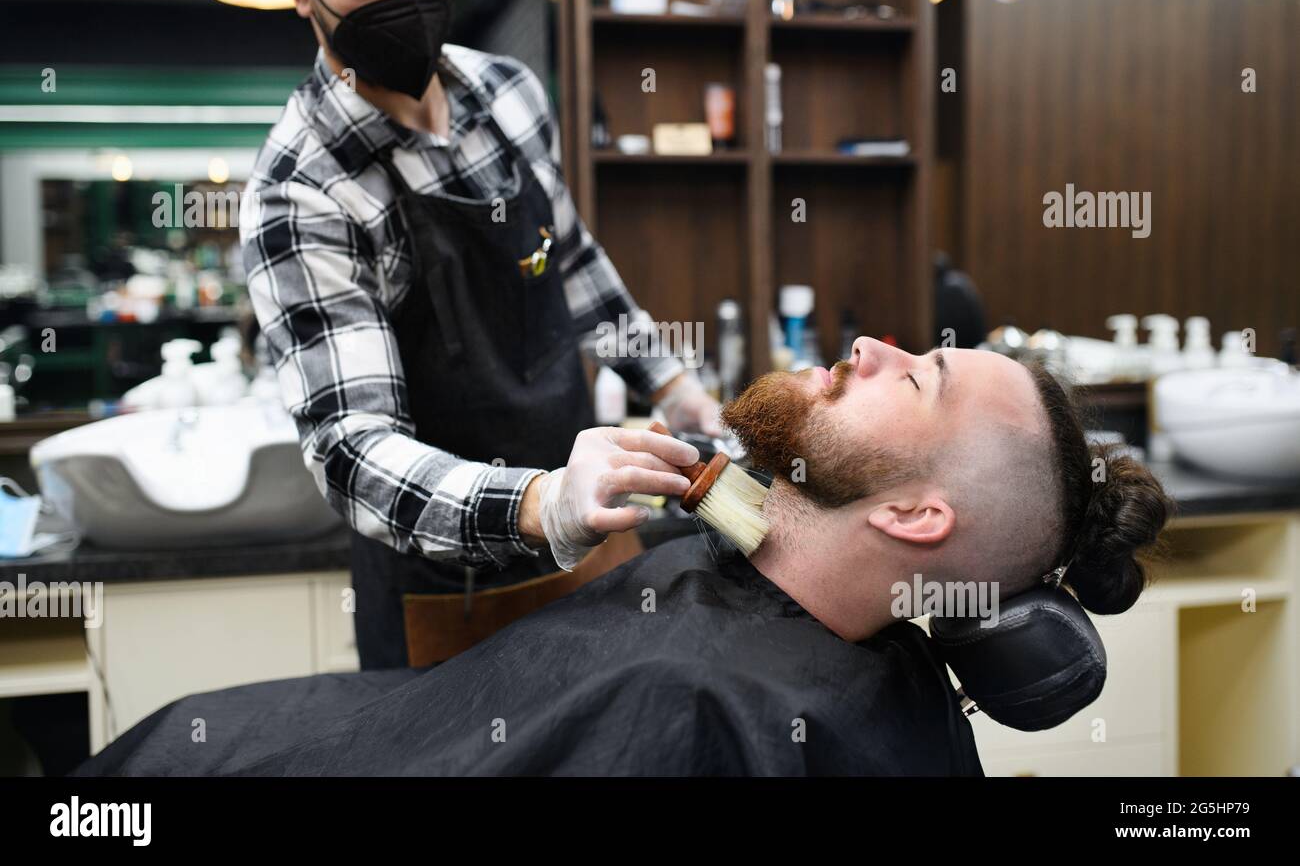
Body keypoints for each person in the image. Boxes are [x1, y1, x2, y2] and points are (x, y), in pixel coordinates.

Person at [79, 339, 1173, 776]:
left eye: (914, 377)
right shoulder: (801, 632)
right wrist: (547, 499)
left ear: (922, 520)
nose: (868, 347)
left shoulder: (704, 709)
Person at [241, 0, 721, 668]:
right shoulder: (301, 194)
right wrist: (541, 504)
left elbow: (568, 262)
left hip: (594, 538)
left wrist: (677, 390)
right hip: (445, 593)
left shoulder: (510, 95)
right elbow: (352, 449)